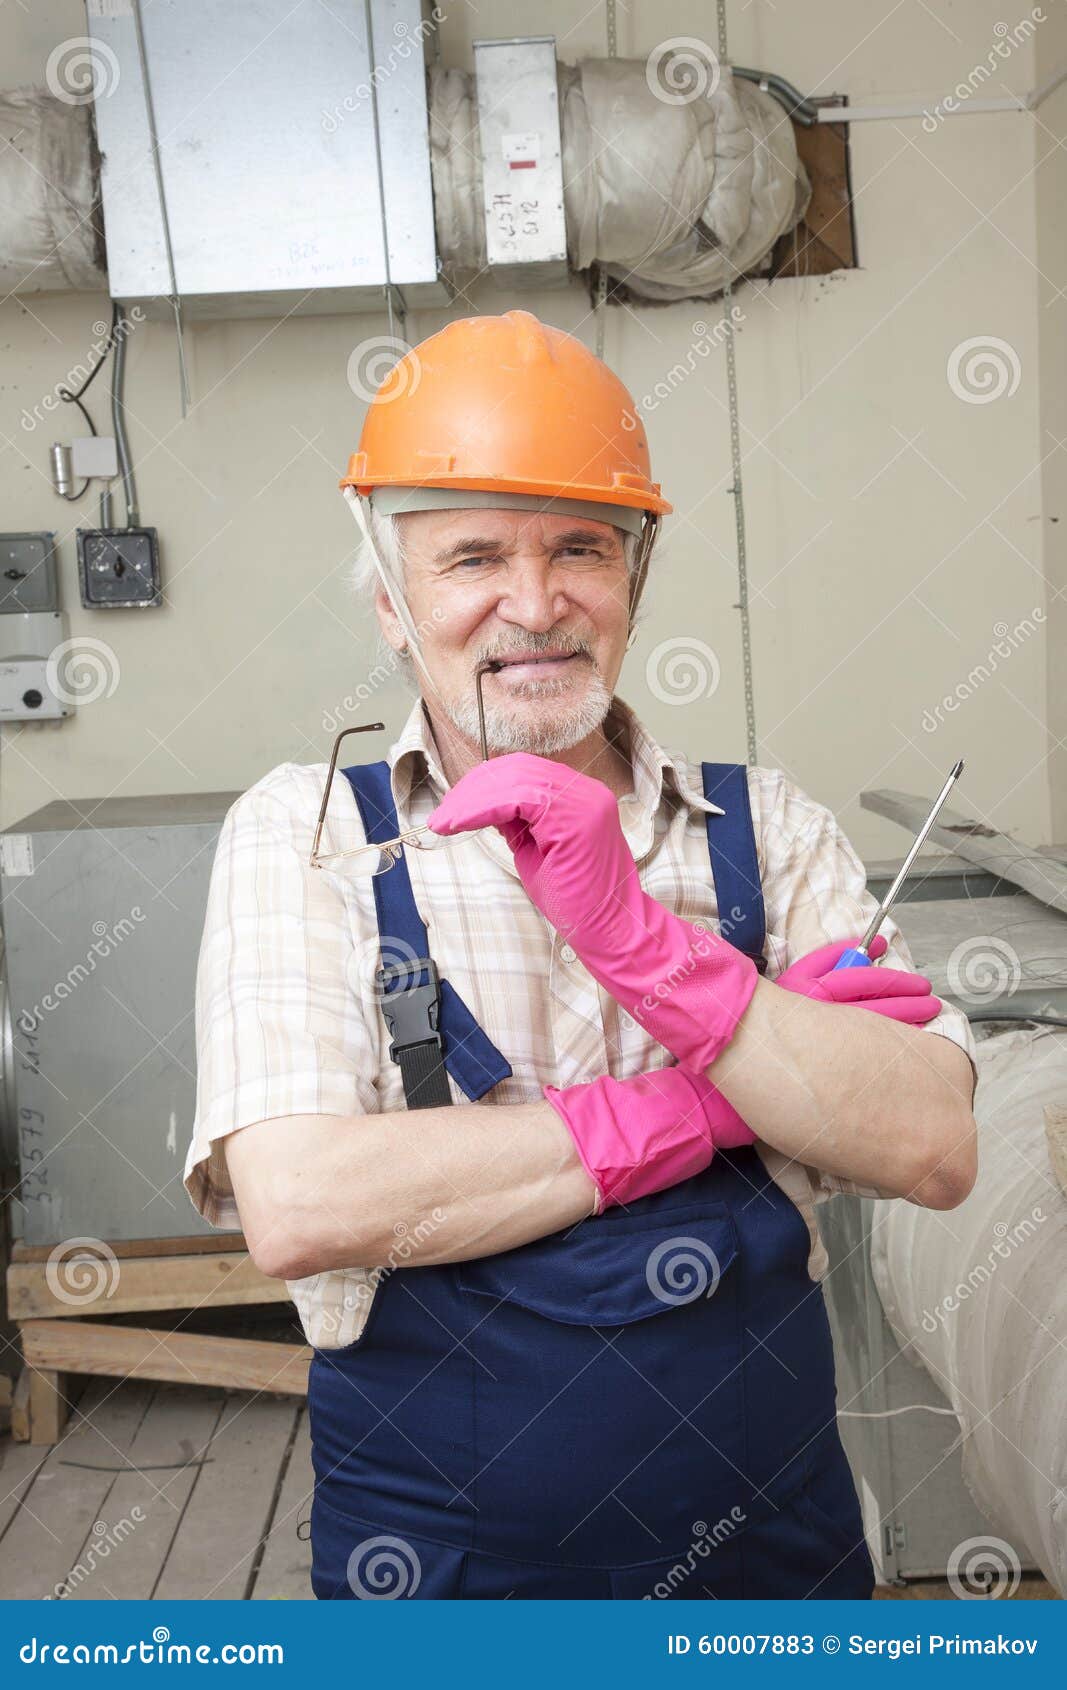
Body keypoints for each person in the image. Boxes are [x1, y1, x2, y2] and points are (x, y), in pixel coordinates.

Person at [184, 309, 978, 1601]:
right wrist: (719, 1090)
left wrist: (653, 949)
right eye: (474, 556)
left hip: (766, 1568)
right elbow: (304, 1204)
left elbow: (933, 1144)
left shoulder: (764, 827)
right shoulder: (311, 832)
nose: (538, 602)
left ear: (633, 583)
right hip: (441, 1579)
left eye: (582, 549)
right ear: (393, 602)